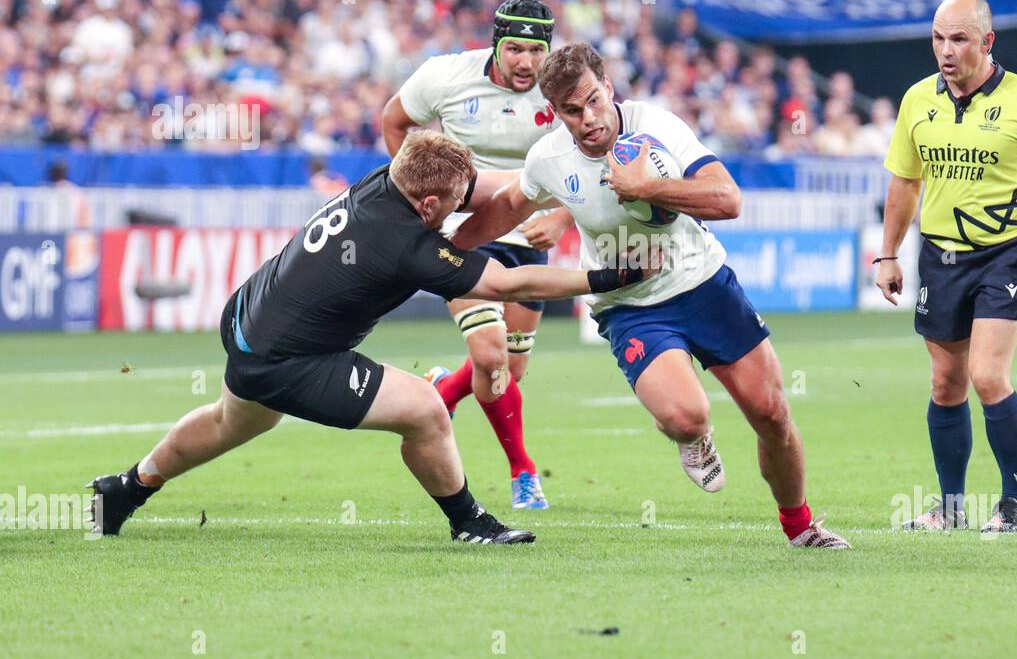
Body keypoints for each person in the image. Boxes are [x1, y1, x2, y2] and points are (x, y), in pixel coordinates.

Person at [87, 132, 652, 544]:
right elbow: (508, 282)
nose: (462, 208)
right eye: (454, 203)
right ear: (428, 205)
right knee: (426, 410)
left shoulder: (388, 178)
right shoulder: (407, 245)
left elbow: (488, 187)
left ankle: (126, 489)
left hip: (250, 318)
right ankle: (469, 523)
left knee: (228, 423)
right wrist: (607, 277)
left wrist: (560, 187)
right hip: (289, 357)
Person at [453, 43, 851, 549]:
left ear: (608, 87)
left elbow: (728, 199)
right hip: (630, 304)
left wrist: (647, 187)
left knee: (771, 412)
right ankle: (694, 440)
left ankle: (800, 527)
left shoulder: (657, 126)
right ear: (554, 113)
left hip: (704, 284)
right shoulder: (549, 159)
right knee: (686, 418)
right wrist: (447, 249)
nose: (589, 119)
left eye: (594, 100)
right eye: (572, 111)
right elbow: (509, 205)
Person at [876, 0, 1017, 533]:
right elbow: (905, 183)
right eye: (938, 38)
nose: (946, 50)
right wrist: (888, 253)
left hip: (1006, 253)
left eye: (959, 39)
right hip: (940, 255)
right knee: (946, 384)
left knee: (987, 375)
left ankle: (1015, 506)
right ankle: (950, 509)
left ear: (987, 42)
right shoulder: (917, 100)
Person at [381, 0, 572, 510]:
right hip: (464, 235)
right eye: (515, 49)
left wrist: (561, 217)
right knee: (490, 357)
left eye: (536, 51)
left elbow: (591, 156)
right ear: (495, 44)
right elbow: (394, 121)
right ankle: (523, 470)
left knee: (508, 371)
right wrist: (418, 196)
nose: (526, 62)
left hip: (528, 240)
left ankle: (444, 389)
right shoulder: (446, 76)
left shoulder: (562, 91)